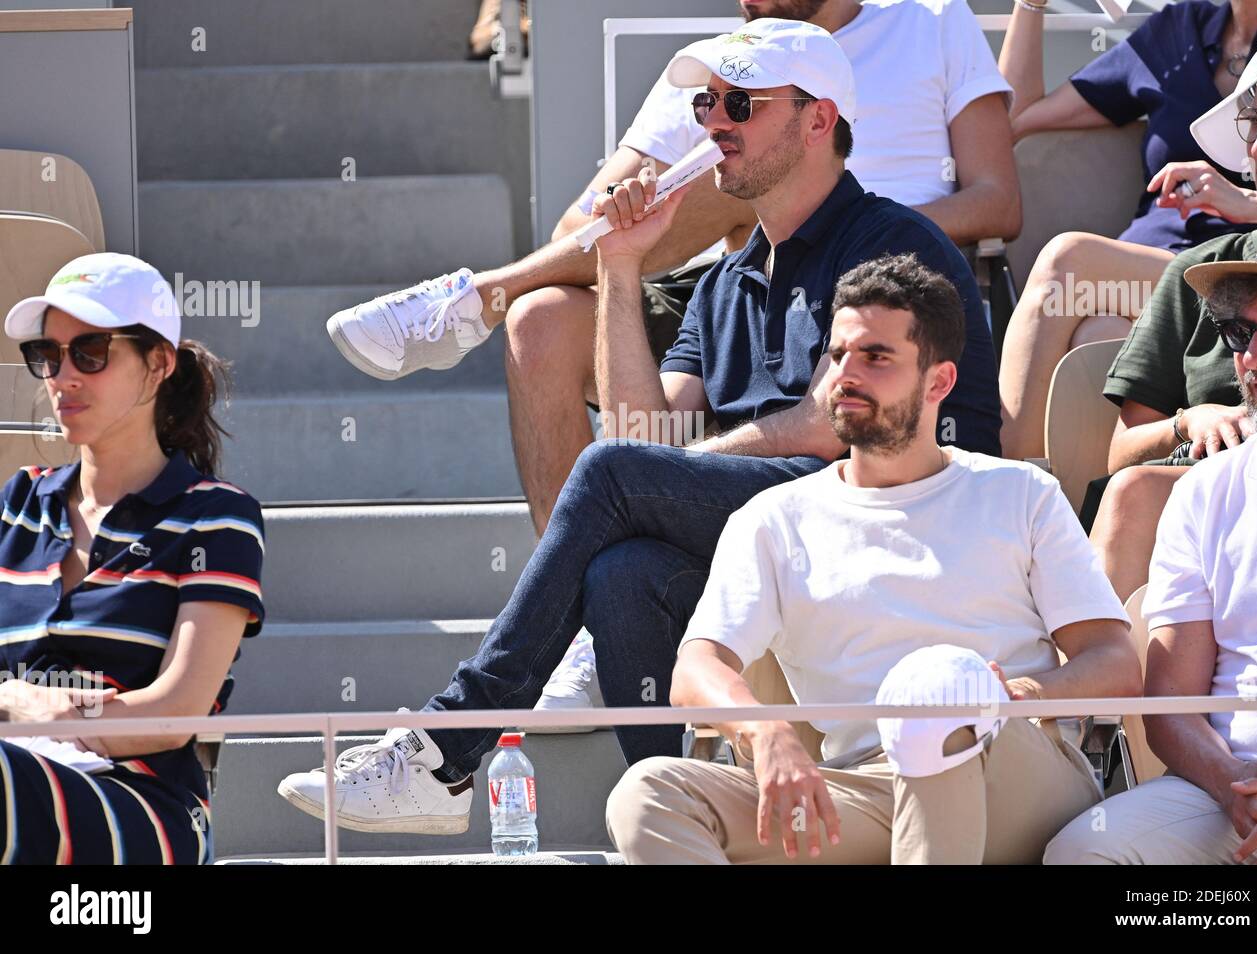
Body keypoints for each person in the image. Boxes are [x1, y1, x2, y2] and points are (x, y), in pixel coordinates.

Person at [276, 20, 1001, 836]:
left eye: (739, 102)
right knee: (621, 572)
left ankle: (447, 750)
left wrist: (681, 460)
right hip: (801, 517)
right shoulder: (729, 279)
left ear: (817, 119)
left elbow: (830, 427)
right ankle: (676, 815)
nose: (713, 122)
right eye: (704, 103)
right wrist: (619, 264)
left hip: (911, 515)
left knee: (615, 476)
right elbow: (641, 430)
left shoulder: (891, 243)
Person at [603, 253, 1140, 865]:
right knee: (647, 794)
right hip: (866, 785)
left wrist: (1020, 694)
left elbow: (1114, 661)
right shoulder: (773, 518)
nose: (845, 376)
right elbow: (696, 670)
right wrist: (766, 731)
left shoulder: (1019, 493)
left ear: (939, 382)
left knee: (940, 687)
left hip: (1018, 773)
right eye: (837, 356)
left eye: (876, 358)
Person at [0, 253, 265, 864]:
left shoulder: (215, 516)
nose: (62, 375)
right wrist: (24, 702)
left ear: (158, 365)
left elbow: (174, 713)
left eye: (90, 352)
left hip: (143, 806)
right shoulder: (18, 503)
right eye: (48, 354)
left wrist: (47, 714)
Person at [1046, 254, 1257, 865]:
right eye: (1239, 334)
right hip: (1238, 787)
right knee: (1085, 854)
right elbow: (1172, 705)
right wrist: (1235, 787)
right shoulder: (1205, 490)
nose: (1254, 357)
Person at [998, 0, 1257, 461]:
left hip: (1231, 276)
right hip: (1147, 281)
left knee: (1067, 260)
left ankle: (1011, 486)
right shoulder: (1177, 30)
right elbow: (1015, 118)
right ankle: (1048, 501)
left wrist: (1250, 204)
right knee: (1096, 334)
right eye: (1254, 122)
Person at [1091, 38, 1257, 603]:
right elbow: (1120, 455)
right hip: (1196, 517)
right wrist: (1191, 421)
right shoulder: (1199, 273)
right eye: (1256, 121)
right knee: (1133, 491)